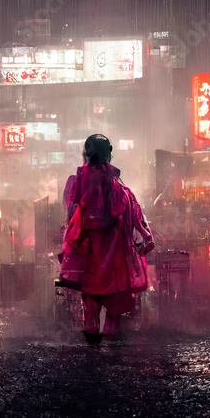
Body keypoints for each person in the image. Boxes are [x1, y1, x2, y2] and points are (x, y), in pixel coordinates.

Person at [60, 134, 153, 345]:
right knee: (116, 291)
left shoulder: (79, 184)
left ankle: (91, 325)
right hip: (113, 251)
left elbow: (72, 214)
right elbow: (130, 220)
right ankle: (110, 330)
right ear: (107, 154)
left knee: (90, 289)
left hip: (90, 250)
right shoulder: (119, 191)